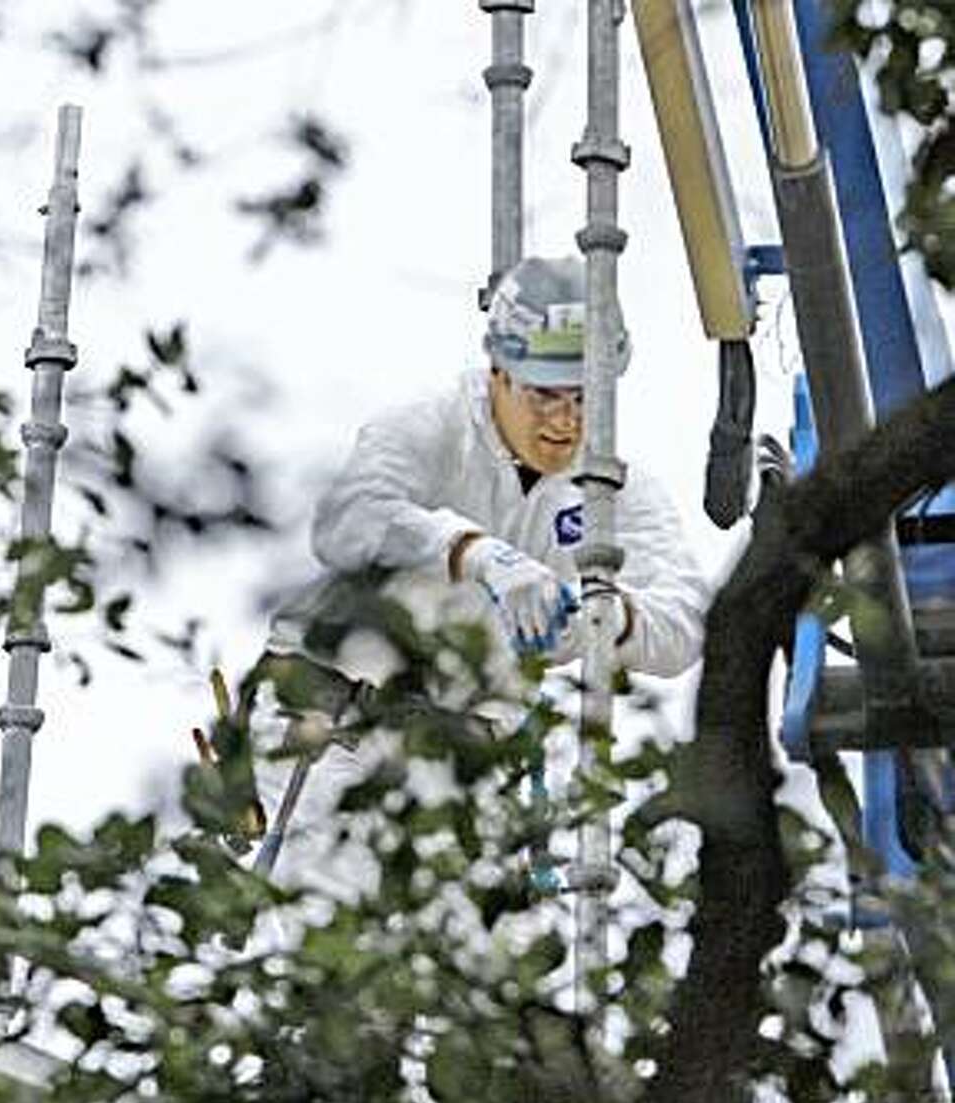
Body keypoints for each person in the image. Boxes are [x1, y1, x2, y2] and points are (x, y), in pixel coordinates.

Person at [249, 254, 708, 893]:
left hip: (467, 764)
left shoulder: (613, 489)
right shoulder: (430, 426)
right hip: (339, 735)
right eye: (545, 394)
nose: (566, 420)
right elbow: (349, 521)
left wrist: (595, 619)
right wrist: (475, 555)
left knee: (468, 946)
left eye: (585, 397)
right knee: (338, 923)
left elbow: (686, 619)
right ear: (499, 372)